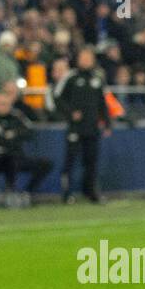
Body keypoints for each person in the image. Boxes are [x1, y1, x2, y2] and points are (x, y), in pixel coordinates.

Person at [54, 47, 109, 202]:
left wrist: (107, 123)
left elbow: (103, 102)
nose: (85, 61)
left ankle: (91, 192)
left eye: (88, 58)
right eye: (83, 57)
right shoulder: (71, 77)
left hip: (92, 127)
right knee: (70, 161)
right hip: (75, 127)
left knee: (91, 162)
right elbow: (57, 97)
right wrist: (70, 113)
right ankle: (66, 193)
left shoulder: (97, 78)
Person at [0, 86, 53, 198]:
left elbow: (29, 132)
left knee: (45, 164)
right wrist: (13, 138)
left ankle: (28, 193)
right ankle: (10, 193)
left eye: (7, 104)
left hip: (18, 156)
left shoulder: (16, 115)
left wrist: (13, 135)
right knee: (10, 159)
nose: (5, 107)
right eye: (1, 104)